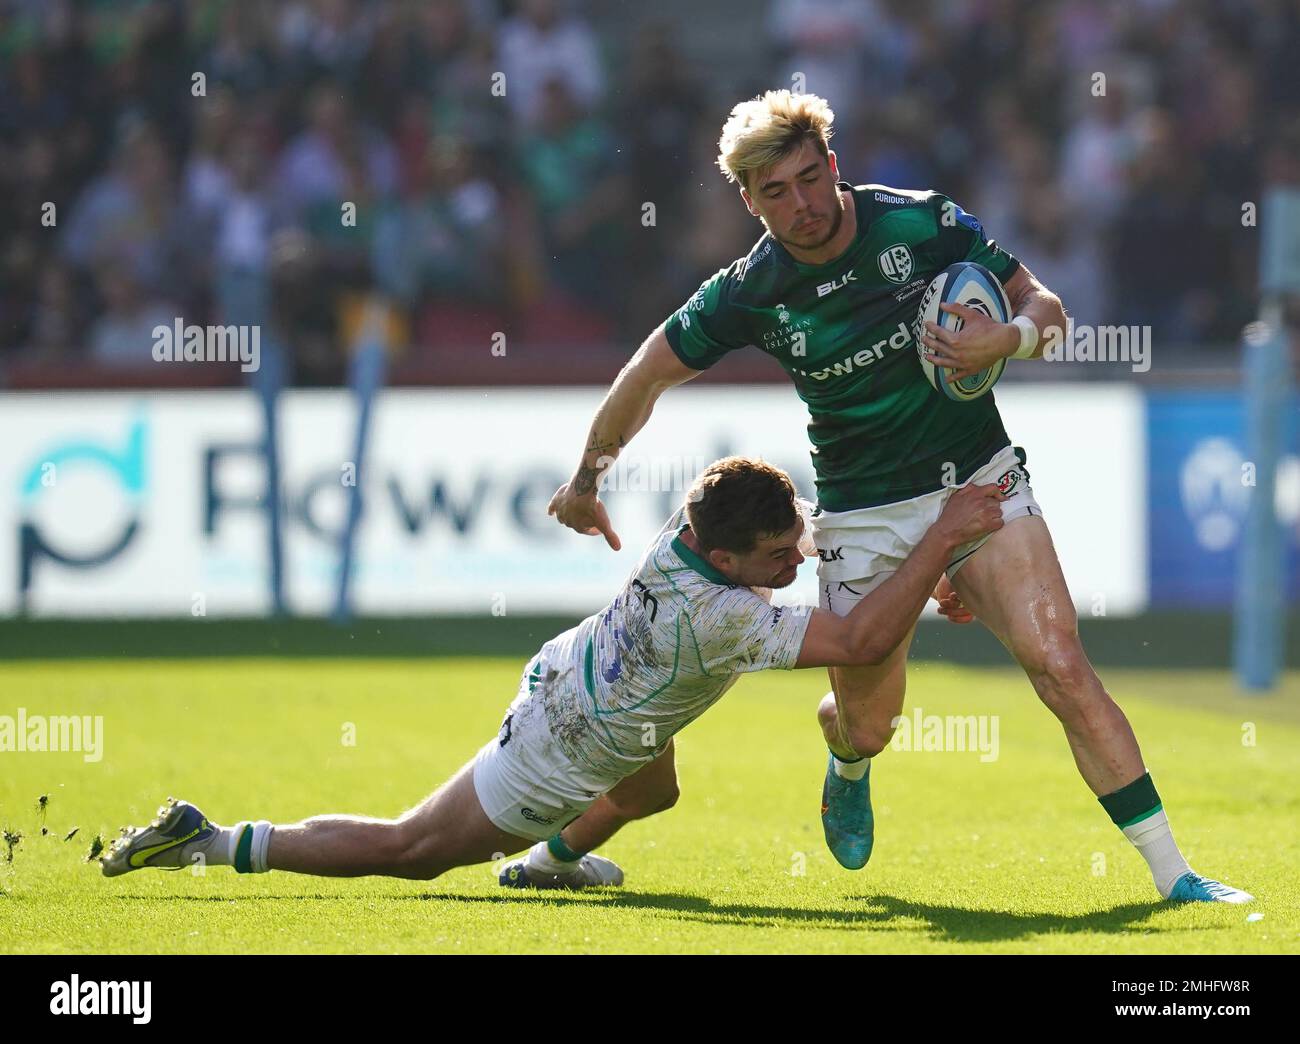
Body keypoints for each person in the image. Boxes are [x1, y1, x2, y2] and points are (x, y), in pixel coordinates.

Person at [547, 90, 1251, 903]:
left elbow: (1046, 308)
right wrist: (588, 477)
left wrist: (1007, 338)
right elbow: (648, 372)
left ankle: (1177, 878)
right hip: (863, 516)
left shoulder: (920, 224)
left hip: (980, 479)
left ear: (833, 166)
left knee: (1060, 665)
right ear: (748, 200)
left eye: (811, 179)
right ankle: (845, 756)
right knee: (871, 724)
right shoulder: (752, 289)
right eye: (776, 193)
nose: (802, 205)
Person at [100, 457, 1003, 889]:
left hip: (589, 681)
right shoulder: (722, 615)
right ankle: (209, 838)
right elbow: (853, 644)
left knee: (655, 795)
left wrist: (925, 588)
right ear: (724, 556)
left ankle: (546, 866)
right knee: (412, 851)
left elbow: (809, 539)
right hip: (562, 751)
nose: (791, 564)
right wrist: (944, 544)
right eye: (774, 558)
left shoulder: (700, 526)